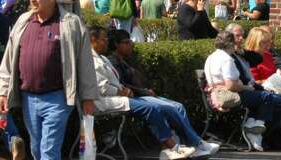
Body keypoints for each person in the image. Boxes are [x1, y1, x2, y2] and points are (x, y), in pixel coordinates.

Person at [0, 0, 99, 160]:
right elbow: (9, 59)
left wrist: (88, 97)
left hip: (57, 97)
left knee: (49, 149)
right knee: (36, 148)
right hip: (28, 98)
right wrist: (3, 91)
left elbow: (85, 61)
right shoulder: (23, 21)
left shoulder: (70, 23)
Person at [88, 25, 215, 159]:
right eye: (103, 39)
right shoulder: (92, 60)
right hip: (106, 101)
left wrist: (125, 90)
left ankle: (184, 146)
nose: (106, 41)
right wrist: (123, 91)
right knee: (151, 108)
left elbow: (116, 82)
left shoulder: (103, 58)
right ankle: (172, 147)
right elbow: (103, 87)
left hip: (122, 96)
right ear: (92, 39)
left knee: (169, 107)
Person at [203, 29, 281, 152]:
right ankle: (257, 129)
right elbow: (231, 85)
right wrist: (246, 87)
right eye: (236, 40)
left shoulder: (212, 56)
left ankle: (254, 126)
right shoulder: (227, 59)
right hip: (231, 95)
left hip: (218, 94)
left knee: (275, 99)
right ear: (231, 44)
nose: (240, 41)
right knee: (270, 98)